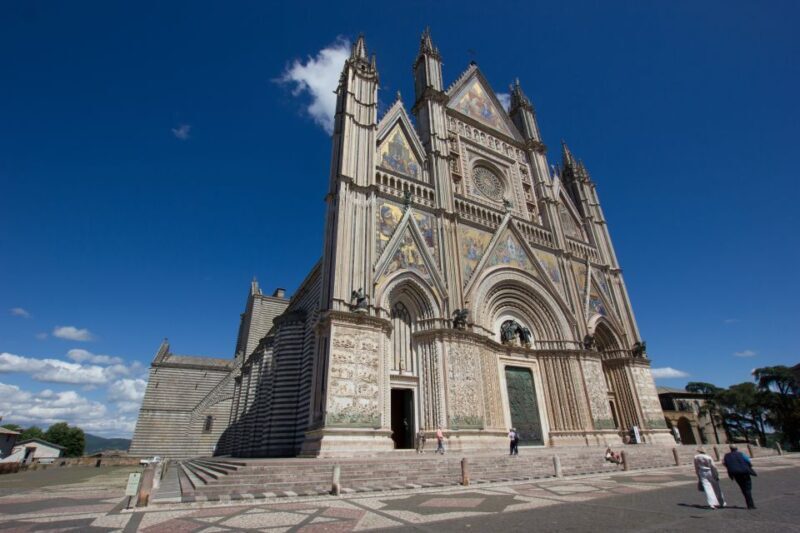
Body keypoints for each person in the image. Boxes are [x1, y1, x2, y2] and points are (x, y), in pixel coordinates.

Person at [723, 445, 757, 509]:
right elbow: (748, 461)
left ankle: (749, 503)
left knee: (743, 488)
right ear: (736, 448)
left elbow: (725, 463)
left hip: (735, 474)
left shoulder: (726, 456)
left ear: (730, 449)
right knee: (748, 488)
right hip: (744, 472)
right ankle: (750, 505)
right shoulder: (741, 454)